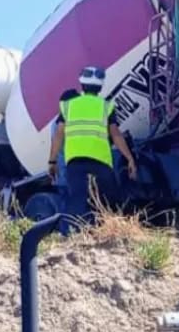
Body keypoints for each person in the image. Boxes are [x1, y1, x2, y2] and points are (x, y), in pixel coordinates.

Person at [48, 66, 138, 231]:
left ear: (82, 85)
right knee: (109, 202)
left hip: (75, 162)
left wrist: (52, 162)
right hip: (101, 162)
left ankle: (74, 235)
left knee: (77, 201)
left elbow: (58, 135)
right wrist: (130, 158)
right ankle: (109, 232)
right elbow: (116, 135)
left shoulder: (68, 106)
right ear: (100, 87)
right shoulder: (106, 106)